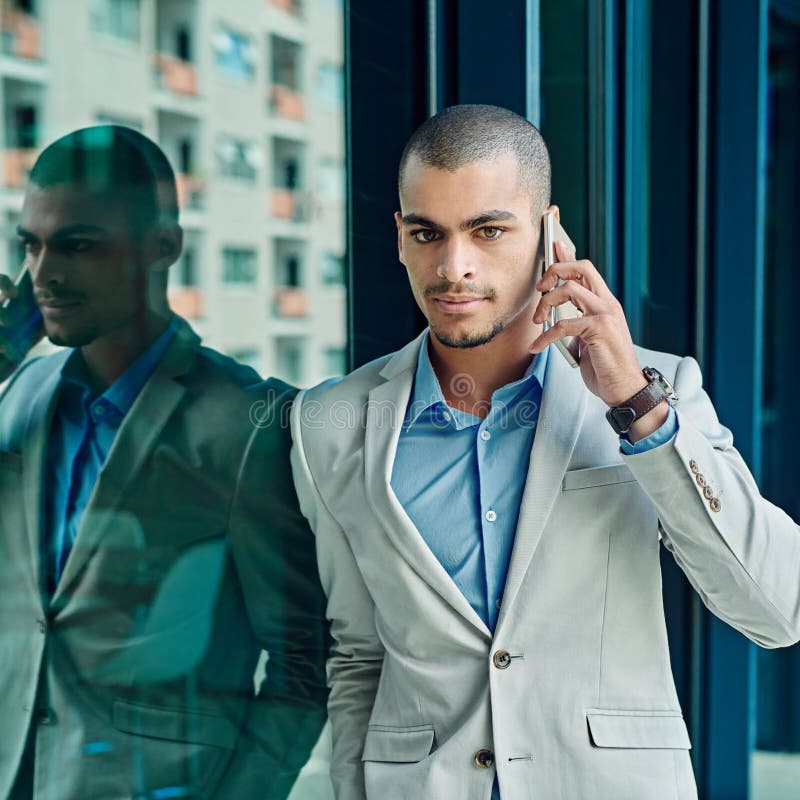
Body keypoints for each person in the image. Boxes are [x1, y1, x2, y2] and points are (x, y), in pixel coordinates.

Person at [289, 105, 800, 800]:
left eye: (488, 229)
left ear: (548, 231)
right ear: (401, 239)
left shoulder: (657, 389)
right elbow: (359, 658)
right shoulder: (329, 423)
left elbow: (778, 610)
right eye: (427, 233)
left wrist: (634, 404)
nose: (453, 266)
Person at [0, 125, 329, 800]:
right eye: (30, 245)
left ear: (163, 249)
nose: (43, 275)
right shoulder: (19, 394)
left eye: (77, 246)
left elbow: (305, 665)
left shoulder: (248, 423)